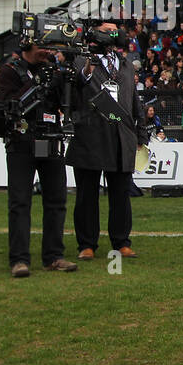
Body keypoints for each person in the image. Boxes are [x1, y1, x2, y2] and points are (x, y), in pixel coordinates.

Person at [0, 39, 78, 277]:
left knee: (56, 201)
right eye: (42, 48)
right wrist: (37, 84)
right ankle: (19, 259)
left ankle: (54, 256)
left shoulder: (53, 71)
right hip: (21, 142)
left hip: (50, 140)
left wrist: (68, 79)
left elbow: (67, 102)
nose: (47, 53)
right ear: (26, 47)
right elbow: (7, 107)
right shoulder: (9, 72)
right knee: (20, 202)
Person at [66, 23, 148, 261]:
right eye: (108, 29)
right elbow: (78, 84)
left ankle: (121, 241)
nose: (113, 33)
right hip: (90, 134)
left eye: (115, 29)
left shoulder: (124, 65)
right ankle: (87, 244)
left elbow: (135, 101)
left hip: (122, 135)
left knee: (120, 194)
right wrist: (89, 64)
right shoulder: (83, 61)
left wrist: (141, 134)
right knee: (87, 195)